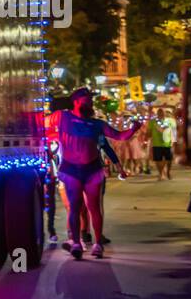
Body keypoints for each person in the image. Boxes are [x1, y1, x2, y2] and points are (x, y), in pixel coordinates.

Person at [49, 88, 141, 259]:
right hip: (70, 170)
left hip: (92, 170)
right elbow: (42, 124)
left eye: (91, 100)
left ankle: (98, 243)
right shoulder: (62, 117)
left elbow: (119, 136)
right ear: (76, 101)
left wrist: (133, 129)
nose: (90, 102)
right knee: (74, 207)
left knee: (94, 208)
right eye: (87, 99)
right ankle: (76, 242)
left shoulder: (97, 124)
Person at [149, 106, 177, 180]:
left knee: (169, 159)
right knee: (158, 160)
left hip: (168, 143)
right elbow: (149, 132)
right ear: (157, 113)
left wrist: (173, 142)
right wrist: (147, 140)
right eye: (159, 112)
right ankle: (160, 173)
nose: (161, 114)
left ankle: (168, 172)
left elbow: (174, 132)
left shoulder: (171, 121)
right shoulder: (153, 121)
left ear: (165, 113)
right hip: (156, 143)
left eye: (162, 112)